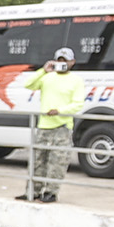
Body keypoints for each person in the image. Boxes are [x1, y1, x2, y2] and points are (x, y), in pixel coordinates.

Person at [20, 47, 85, 202]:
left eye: (65, 61)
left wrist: (60, 111)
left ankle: (51, 192)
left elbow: (78, 104)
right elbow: (28, 85)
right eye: (59, 60)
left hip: (62, 126)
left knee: (57, 162)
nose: (62, 64)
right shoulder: (47, 77)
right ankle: (33, 191)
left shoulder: (76, 80)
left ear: (72, 62)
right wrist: (43, 70)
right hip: (44, 126)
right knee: (37, 161)